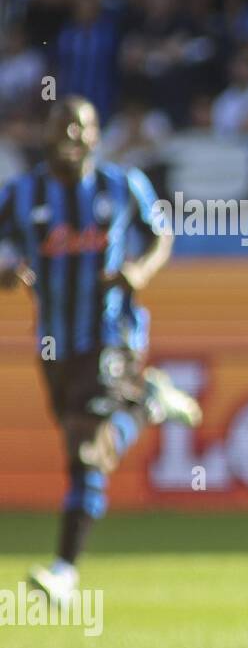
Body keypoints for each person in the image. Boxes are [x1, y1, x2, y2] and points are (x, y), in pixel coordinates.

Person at [0, 97, 201, 604]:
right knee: (83, 452)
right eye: (62, 125)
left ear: (95, 136)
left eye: (81, 127)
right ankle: (149, 403)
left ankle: (65, 570)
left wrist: (138, 272)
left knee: (90, 448)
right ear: (46, 134)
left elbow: (161, 236)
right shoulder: (21, 194)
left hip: (111, 335)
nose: (71, 134)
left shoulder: (123, 184)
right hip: (55, 342)